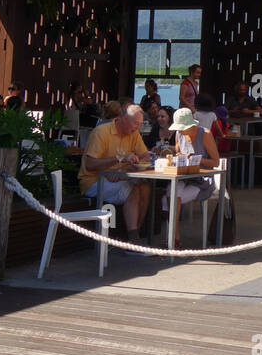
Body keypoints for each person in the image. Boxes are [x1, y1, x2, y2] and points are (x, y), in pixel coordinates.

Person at [79, 104, 152, 252]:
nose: (137, 127)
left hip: (119, 177)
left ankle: (133, 236)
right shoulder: (102, 132)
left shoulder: (133, 133)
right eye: (135, 123)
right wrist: (118, 160)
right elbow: (90, 164)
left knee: (145, 187)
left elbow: (145, 156)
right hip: (93, 180)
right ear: (123, 119)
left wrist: (126, 167)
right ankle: (133, 241)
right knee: (133, 190)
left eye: (140, 124)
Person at [163, 107, 221, 247]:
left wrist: (196, 159)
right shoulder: (178, 134)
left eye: (182, 128)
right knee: (171, 192)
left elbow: (215, 162)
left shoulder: (205, 134)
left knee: (168, 200)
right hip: (184, 176)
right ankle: (174, 238)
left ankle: (173, 239)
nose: (180, 131)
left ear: (191, 125)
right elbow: (179, 154)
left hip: (202, 180)